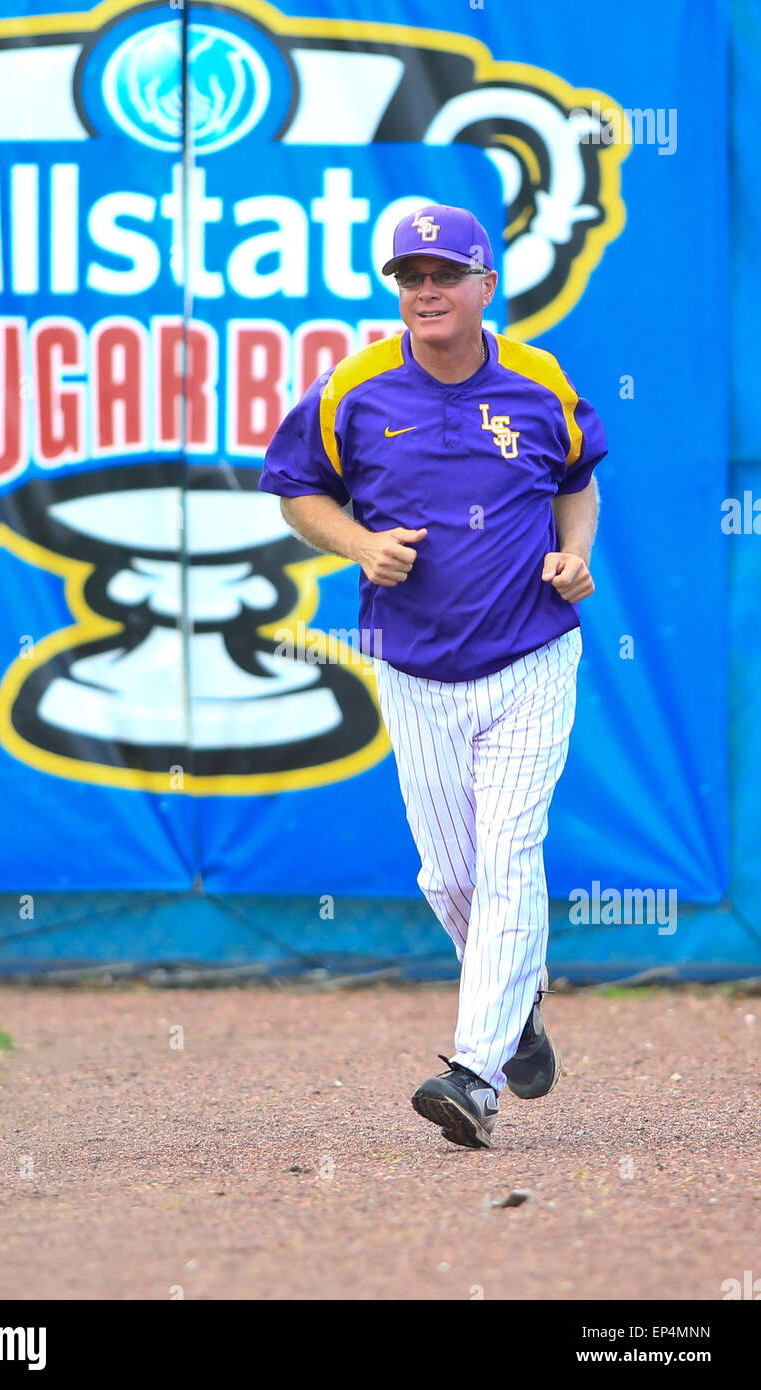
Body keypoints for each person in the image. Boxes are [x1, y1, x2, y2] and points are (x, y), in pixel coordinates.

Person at [258, 203, 606, 1149]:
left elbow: (576, 476)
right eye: (409, 276)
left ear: (483, 286)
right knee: (449, 876)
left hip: (532, 654)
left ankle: (475, 1074)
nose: (424, 291)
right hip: (415, 669)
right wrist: (361, 543)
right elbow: (295, 488)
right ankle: (517, 1014)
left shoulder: (537, 380)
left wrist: (575, 554)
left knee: (507, 856)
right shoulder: (355, 388)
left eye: (444, 274)